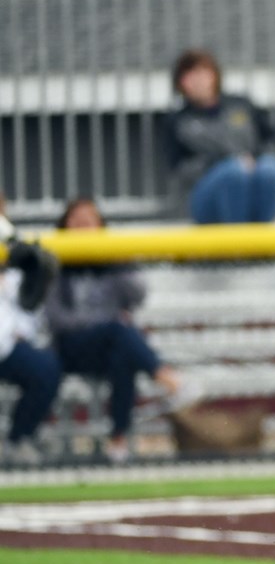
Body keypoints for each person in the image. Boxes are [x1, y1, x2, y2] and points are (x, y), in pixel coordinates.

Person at [44, 197, 187, 464]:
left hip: (108, 346)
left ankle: (117, 441)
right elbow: (56, 319)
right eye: (76, 221)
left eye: (89, 221)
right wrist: (100, 323)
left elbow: (138, 295)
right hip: (70, 348)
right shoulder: (55, 262)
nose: (83, 227)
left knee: (124, 355)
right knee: (118, 331)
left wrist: (116, 260)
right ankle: (166, 378)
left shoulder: (111, 259)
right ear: (64, 227)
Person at [162, 49, 275, 224]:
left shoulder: (241, 105)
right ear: (180, 83)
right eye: (190, 75)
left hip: (253, 178)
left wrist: (254, 159)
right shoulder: (179, 120)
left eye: (203, 73)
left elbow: (274, 140)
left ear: (214, 76)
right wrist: (223, 163)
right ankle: (237, 247)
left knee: (272, 169)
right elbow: (178, 169)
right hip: (205, 194)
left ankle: (263, 244)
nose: (198, 81)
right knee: (234, 173)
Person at [0, 193, 61, 466]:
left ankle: (19, 438)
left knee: (45, 368)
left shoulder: (13, 247)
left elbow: (24, 304)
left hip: (6, 345)